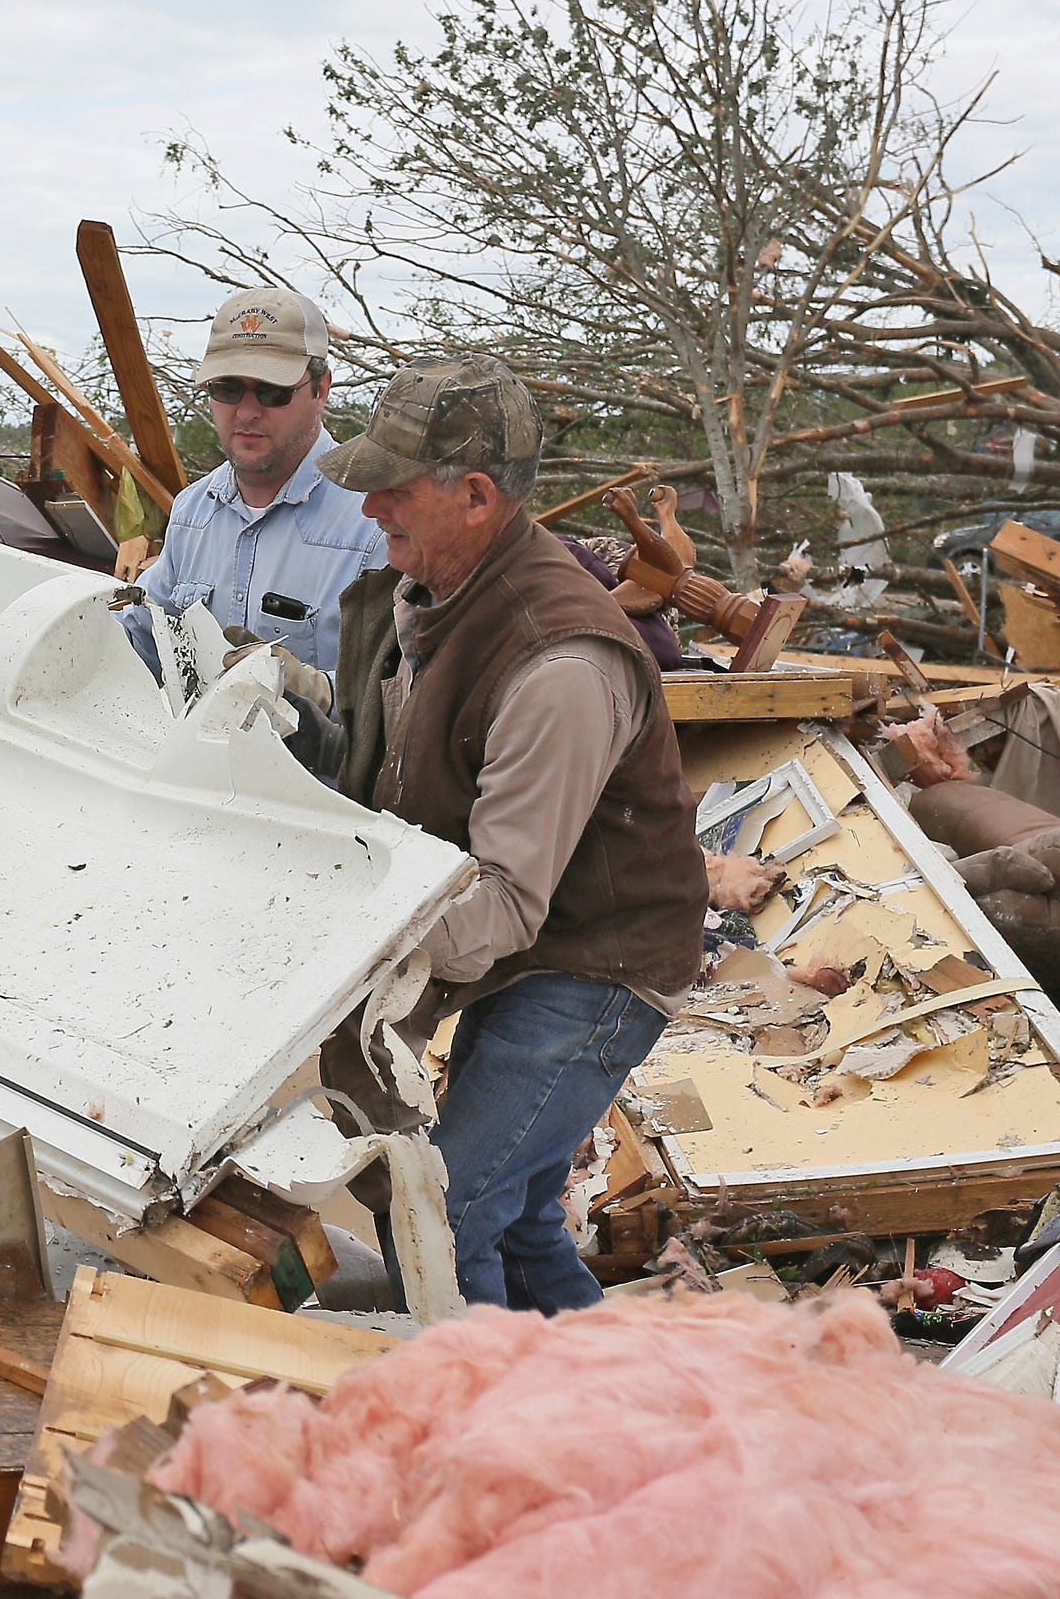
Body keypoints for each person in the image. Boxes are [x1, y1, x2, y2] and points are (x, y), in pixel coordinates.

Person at [315, 354, 709, 1313]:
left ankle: (493, 1434)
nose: (371, 511)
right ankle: (602, 1411)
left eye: (394, 491)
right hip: (540, 950)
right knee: (523, 1219)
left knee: (448, 1209)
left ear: (477, 495)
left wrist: (338, 937)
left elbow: (503, 901)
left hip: (596, 967)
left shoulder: (558, 663)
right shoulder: (442, 597)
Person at [120, 287, 384, 676]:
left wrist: (311, 694)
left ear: (321, 389)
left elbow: (397, 694)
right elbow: (141, 640)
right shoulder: (193, 513)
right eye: (227, 388)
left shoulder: (376, 524)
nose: (246, 411)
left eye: (272, 391)